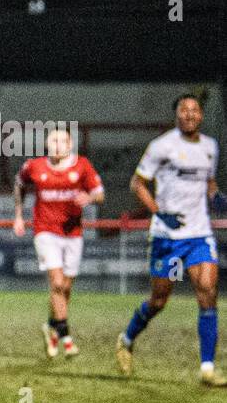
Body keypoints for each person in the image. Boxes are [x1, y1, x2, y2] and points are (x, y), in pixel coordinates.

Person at [117, 94, 226, 386]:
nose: (189, 114)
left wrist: (218, 199)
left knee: (207, 292)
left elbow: (210, 185)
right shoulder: (162, 146)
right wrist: (159, 214)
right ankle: (126, 339)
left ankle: (207, 368)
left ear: (201, 116)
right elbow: (137, 184)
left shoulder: (210, 147)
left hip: (199, 235)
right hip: (168, 238)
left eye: (194, 110)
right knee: (159, 300)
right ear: (176, 115)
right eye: (184, 110)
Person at [13, 127, 104, 357]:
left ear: (70, 144)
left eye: (62, 141)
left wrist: (89, 197)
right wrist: (19, 215)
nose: (57, 145)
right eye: (53, 140)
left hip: (73, 234)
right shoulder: (34, 166)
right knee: (56, 283)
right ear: (46, 143)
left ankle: (51, 326)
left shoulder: (82, 166)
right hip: (45, 232)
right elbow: (19, 184)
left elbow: (100, 193)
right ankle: (66, 337)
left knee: (65, 287)